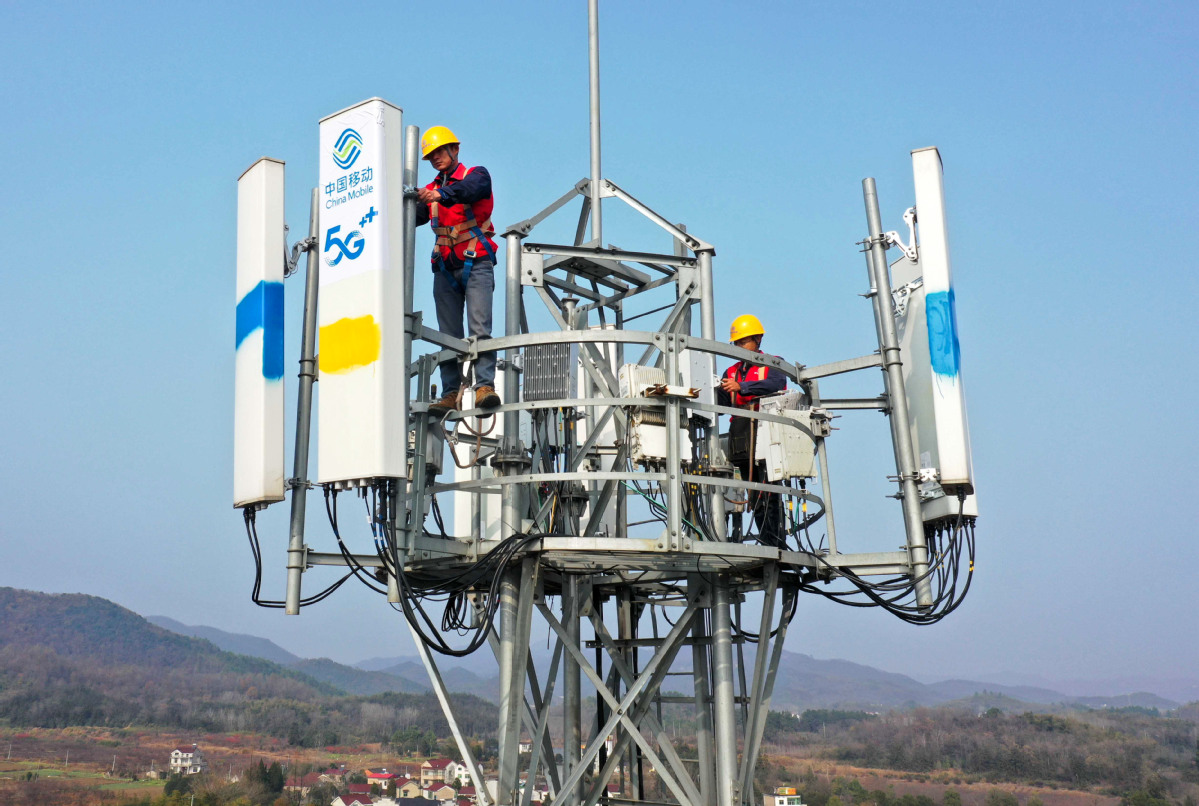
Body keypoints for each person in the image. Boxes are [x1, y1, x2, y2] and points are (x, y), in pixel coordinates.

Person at [415, 125, 501, 412]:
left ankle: (484, 386)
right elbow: (411, 215)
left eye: (440, 151)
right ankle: (451, 393)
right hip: (443, 265)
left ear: (454, 149)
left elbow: (472, 190)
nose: (436, 158)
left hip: (475, 260)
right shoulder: (429, 191)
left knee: (479, 328)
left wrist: (439, 196)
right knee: (447, 335)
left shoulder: (475, 175)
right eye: (431, 156)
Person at [716, 314, 787, 547]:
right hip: (741, 434)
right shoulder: (731, 371)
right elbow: (723, 402)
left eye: (744, 341)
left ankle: (775, 542)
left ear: (757, 339)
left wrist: (743, 386)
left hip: (766, 432)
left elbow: (776, 384)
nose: (740, 346)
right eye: (737, 342)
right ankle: (765, 540)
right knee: (754, 493)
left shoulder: (773, 364)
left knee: (769, 492)